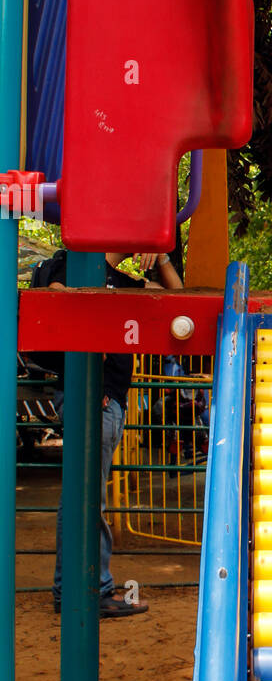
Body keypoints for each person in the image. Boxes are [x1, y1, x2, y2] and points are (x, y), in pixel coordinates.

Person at [47, 250, 184, 615]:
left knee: (84, 494)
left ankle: (73, 587)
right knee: (87, 497)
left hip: (111, 400)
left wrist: (163, 258)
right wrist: (96, 338)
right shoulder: (73, 262)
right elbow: (57, 298)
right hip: (94, 395)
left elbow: (177, 297)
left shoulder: (124, 282)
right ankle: (92, 588)